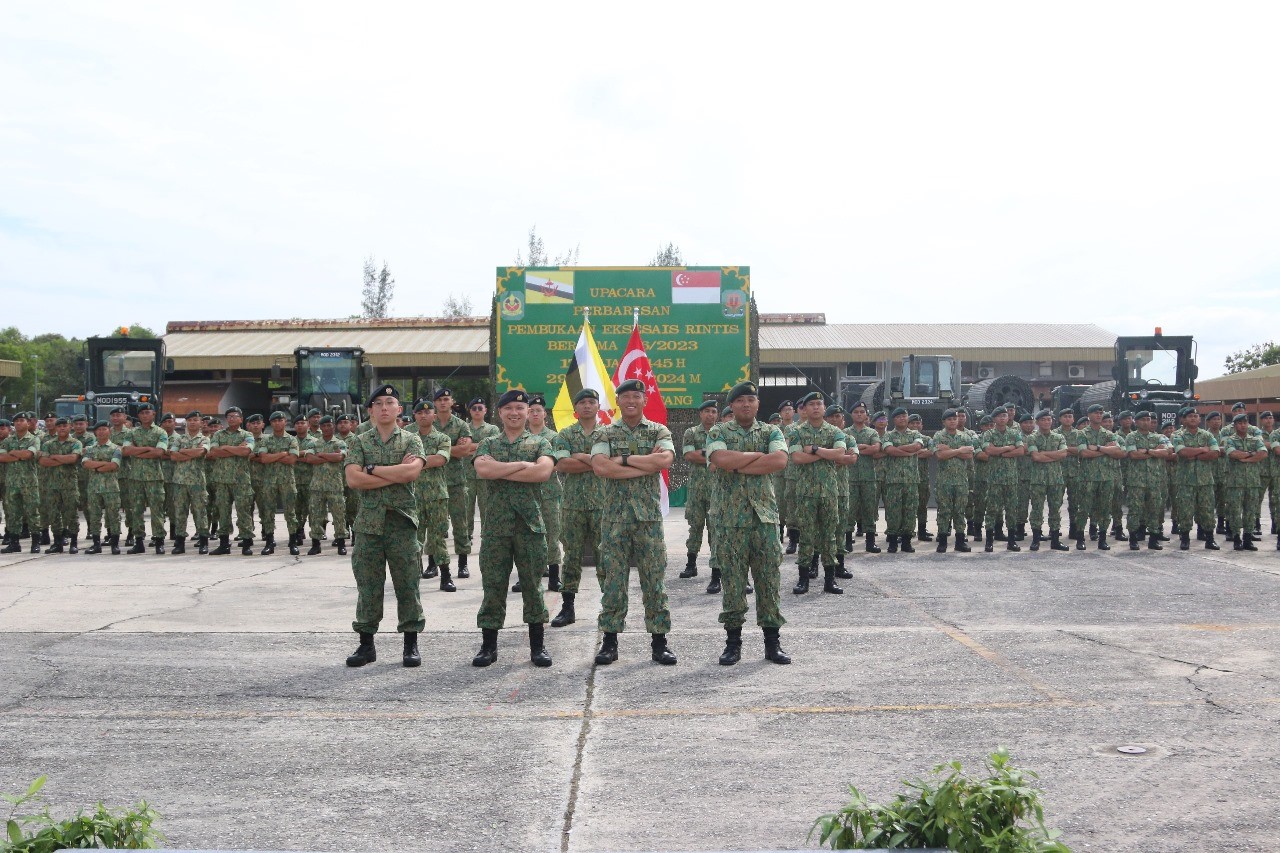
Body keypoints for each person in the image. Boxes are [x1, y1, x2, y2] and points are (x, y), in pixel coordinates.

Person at [590, 378, 677, 666]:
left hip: (648, 519)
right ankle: (610, 642)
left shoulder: (658, 430)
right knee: (614, 582)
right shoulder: (605, 432)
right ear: (618, 401)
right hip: (614, 518)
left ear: (644, 400)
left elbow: (663, 462)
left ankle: (659, 642)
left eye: (636, 396)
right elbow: (601, 467)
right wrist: (642, 464)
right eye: (625, 396)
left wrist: (623, 461)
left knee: (654, 581)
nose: (631, 400)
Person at [705, 381, 791, 665]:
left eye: (750, 400)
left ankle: (772, 643)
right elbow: (719, 458)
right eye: (740, 400)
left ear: (757, 404)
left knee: (768, 581)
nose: (745, 404)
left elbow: (779, 461)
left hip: (764, 518)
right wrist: (757, 457)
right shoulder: (719, 430)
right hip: (730, 521)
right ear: (732, 405)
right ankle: (733, 643)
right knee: (733, 582)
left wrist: (737, 463)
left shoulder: (771, 430)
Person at [343, 385, 428, 668]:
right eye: (377, 403)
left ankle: (410, 645)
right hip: (368, 524)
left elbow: (412, 472)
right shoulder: (358, 442)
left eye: (390, 402)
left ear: (399, 409)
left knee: (407, 585)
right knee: (368, 585)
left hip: (402, 522)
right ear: (370, 411)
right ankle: (366, 645)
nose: (383, 408)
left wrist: (371, 469)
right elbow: (353, 480)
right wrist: (394, 474)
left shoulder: (411, 441)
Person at [471, 390, 556, 668]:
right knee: (493, 585)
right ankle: (488, 646)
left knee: (532, 585)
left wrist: (500, 468)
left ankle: (538, 646)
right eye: (508, 408)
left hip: (529, 525)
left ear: (529, 411)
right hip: (496, 527)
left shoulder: (540, 442)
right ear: (500, 413)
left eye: (520, 407)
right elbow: (483, 471)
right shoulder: (487, 443)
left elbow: (542, 473)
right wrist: (521, 465)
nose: (515, 413)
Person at [550, 388, 605, 628]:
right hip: (572, 505)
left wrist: (580, 455)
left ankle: (609, 606)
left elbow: (608, 464)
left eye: (591, 402)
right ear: (576, 408)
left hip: (602, 504)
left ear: (598, 407)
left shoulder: (607, 434)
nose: (586, 406)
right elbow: (562, 465)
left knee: (605, 556)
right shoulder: (565, 434)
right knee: (571, 557)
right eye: (582, 402)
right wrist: (594, 461)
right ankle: (567, 606)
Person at [788, 393, 848, 591]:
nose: (815, 407)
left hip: (829, 491)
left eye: (819, 404)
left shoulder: (834, 431)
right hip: (805, 492)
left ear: (824, 408)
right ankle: (803, 578)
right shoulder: (797, 432)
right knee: (806, 536)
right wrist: (825, 454)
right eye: (811, 404)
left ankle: (830, 580)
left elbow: (840, 454)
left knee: (829, 536)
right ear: (804, 409)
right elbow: (797, 458)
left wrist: (814, 449)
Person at [410, 400, 452, 589]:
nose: (424, 415)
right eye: (420, 413)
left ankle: (445, 576)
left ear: (434, 416)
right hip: (412, 495)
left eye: (428, 413)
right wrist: (427, 459)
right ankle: (412, 576)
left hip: (436, 495)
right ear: (415, 416)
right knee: (413, 538)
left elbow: (441, 459)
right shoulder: (408, 438)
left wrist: (415, 462)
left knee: (437, 537)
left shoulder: (442, 438)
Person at [433, 389, 474, 577]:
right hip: (432, 482)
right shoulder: (427, 423)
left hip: (456, 481)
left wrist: (437, 452)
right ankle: (433, 562)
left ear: (452, 401)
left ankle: (463, 563)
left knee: (460, 523)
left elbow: (465, 451)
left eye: (446, 399)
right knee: (435, 525)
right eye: (439, 400)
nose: (443, 403)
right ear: (435, 403)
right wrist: (453, 448)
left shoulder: (461, 425)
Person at [206, 407, 257, 556]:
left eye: (235, 416)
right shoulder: (218, 434)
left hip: (241, 480)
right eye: (229, 416)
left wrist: (225, 448)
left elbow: (246, 451)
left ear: (241, 419)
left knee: (244, 512)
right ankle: (224, 544)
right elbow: (214, 452)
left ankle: (246, 543)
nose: (231, 418)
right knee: (223, 512)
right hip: (222, 480)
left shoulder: (247, 435)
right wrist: (236, 449)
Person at [1075, 404, 1125, 550]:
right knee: (1084, 508)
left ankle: (1102, 539)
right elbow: (1084, 453)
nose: (1099, 415)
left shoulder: (1109, 434)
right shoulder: (1082, 434)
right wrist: (1107, 450)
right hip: (1088, 477)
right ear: (1089, 415)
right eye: (1096, 413)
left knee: (1105, 509)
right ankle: (1080, 538)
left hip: (1106, 477)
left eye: (1100, 413)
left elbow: (1119, 452)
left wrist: (1097, 448)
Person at [680, 400, 719, 583]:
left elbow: (725, 457)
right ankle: (691, 564)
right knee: (695, 527)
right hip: (696, 489)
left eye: (713, 412)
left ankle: (716, 568)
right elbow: (689, 455)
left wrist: (702, 453)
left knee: (715, 529)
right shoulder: (691, 433)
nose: (710, 415)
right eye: (707, 411)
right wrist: (712, 455)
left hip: (716, 489)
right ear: (700, 414)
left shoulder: (722, 433)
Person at [1125, 411, 1173, 550]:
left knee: (1155, 509)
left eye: (1149, 419)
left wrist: (1145, 451)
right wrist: (1153, 452)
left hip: (1155, 480)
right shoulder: (1131, 437)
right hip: (1136, 481)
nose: (1147, 422)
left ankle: (1153, 538)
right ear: (1137, 422)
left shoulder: (1159, 437)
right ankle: (1133, 538)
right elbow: (1133, 454)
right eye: (1143, 420)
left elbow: (1166, 452)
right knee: (1135, 509)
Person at [1024, 410, 1071, 551]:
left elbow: (1063, 454)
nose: (1046, 422)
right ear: (1037, 423)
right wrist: (1053, 455)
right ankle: (1036, 540)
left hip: (1056, 479)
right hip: (1038, 479)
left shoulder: (1059, 437)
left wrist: (1044, 453)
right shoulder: (1032, 438)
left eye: (1049, 419)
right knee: (1037, 509)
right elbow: (1035, 457)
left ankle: (1055, 540)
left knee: (1055, 509)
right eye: (1043, 420)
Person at [880, 408, 925, 553]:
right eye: (898, 417)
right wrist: (909, 452)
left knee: (910, 511)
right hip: (894, 480)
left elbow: (917, 446)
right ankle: (892, 542)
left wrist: (898, 449)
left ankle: (907, 541)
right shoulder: (888, 435)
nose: (902, 419)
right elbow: (889, 450)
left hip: (911, 480)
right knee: (893, 511)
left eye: (904, 416)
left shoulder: (915, 434)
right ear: (894, 420)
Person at [256, 412, 301, 556]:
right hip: (269, 481)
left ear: (285, 422)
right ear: (270, 423)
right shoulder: (265, 440)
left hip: (287, 480)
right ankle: (269, 542)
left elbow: (292, 460)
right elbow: (263, 459)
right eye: (274, 420)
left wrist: (273, 456)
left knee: (290, 513)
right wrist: (282, 454)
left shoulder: (292, 440)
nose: (277, 423)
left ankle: (293, 542)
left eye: (280, 420)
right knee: (268, 512)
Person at [980, 409, 1024, 551]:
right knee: (992, 510)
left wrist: (1001, 453)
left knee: (1011, 510)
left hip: (1011, 478)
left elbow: (1021, 451)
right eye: (999, 416)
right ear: (994, 419)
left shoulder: (1014, 433)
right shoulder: (988, 434)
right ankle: (989, 541)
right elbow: (989, 451)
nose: (1003, 418)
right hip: (994, 478)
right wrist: (1008, 448)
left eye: (1004, 415)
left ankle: (1011, 541)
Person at [1222, 412, 1268, 551]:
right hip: (1235, 482)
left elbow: (1263, 454)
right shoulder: (1229, 440)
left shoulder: (1255, 440)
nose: (1243, 425)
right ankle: (1236, 538)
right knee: (1235, 511)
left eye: (1245, 423)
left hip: (1252, 482)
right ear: (1235, 425)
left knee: (1250, 511)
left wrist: (1246, 457)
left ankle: (1248, 538)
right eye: (1240, 423)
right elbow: (1232, 453)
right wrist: (1252, 453)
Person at [304, 416, 349, 556]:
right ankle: (316, 544)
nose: (327, 428)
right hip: (317, 485)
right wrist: (330, 456)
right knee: (316, 515)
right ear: (320, 427)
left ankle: (341, 543)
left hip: (335, 485)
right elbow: (310, 459)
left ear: (333, 427)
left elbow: (340, 457)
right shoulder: (313, 443)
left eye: (330, 425)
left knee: (339, 515)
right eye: (324, 426)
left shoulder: (340, 443)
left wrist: (322, 454)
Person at [932, 408, 975, 553]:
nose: (953, 421)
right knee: (944, 510)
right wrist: (959, 450)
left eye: (955, 419)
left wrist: (950, 450)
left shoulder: (965, 436)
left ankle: (960, 541)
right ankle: (942, 541)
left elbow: (968, 455)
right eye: (949, 419)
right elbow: (940, 455)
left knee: (959, 511)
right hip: (944, 480)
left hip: (961, 480)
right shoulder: (939, 436)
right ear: (944, 422)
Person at [37, 418, 83, 553]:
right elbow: (43, 462)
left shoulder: (76, 443)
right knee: (54, 514)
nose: (62, 428)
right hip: (52, 485)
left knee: (71, 513)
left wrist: (54, 457)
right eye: (59, 426)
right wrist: (64, 459)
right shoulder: (48, 444)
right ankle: (57, 542)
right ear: (56, 429)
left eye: (65, 426)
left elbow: (73, 459)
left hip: (69, 484)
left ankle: (73, 542)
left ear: (70, 427)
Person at [168, 411, 210, 554]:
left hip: (198, 481)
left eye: (195, 420)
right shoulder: (178, 439)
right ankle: (180, 542)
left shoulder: (204, 439)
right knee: (180, 512)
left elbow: (201, 453)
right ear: (186, 422)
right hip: (180, 481)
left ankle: (204, 541)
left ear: (200, 423)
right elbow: (173, 456)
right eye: (190, 420)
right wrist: (191, 452)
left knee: (200, 512)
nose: (192, 422)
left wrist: (184, 452)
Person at [0, 413, 43, 553]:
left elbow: (29, 455)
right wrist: (19, 455)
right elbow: (2, 457)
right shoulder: (8, 440)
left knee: (32, 512)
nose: (19, 423)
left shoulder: (34, 439)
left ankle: (35, 542)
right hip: (12, 483)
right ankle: (14, 543)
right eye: (16, 421)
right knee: (13, 514)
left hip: (29, 483)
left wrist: (12, 454)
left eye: (22, 420)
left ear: (28, 423)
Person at [844, 402, 882, 553]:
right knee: (849, 510)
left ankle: (870, 542)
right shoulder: (845, 432)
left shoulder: (872, 433)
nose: (859, 414)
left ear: (866, 415)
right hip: (850, 477)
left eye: (862, 412)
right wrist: (864, 447)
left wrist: (856, 448)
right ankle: (847, 541)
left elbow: (876, 449)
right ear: (851, 415)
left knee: (869, 509)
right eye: (856, 412)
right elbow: (844, 450)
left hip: (868, 477)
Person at [907, 413, 935, 542]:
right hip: (907, 477)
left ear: (922, 425)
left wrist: (910, 452)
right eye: (912, 423)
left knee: (923, 505)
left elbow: (931, 452)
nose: (915, 425)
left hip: (923, 477)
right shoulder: (905, 438)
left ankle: (922, 530)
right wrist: (918, 452)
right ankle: (907, 530)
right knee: (908, 506)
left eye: (918, 423)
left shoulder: (927, 439)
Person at [292, 415, 316, 543]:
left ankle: (315, 534)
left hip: (310, 480)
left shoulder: (315, 441)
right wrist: (305, 454)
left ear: (308, 425)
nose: (300, 425)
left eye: (303, 423)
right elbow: (287, 457)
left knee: (311, 508)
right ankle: (298, 531)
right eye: (297, 423)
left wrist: (295, 455)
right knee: (296, 509)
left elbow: (312, 458)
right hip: (294, 480)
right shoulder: (290, 440)